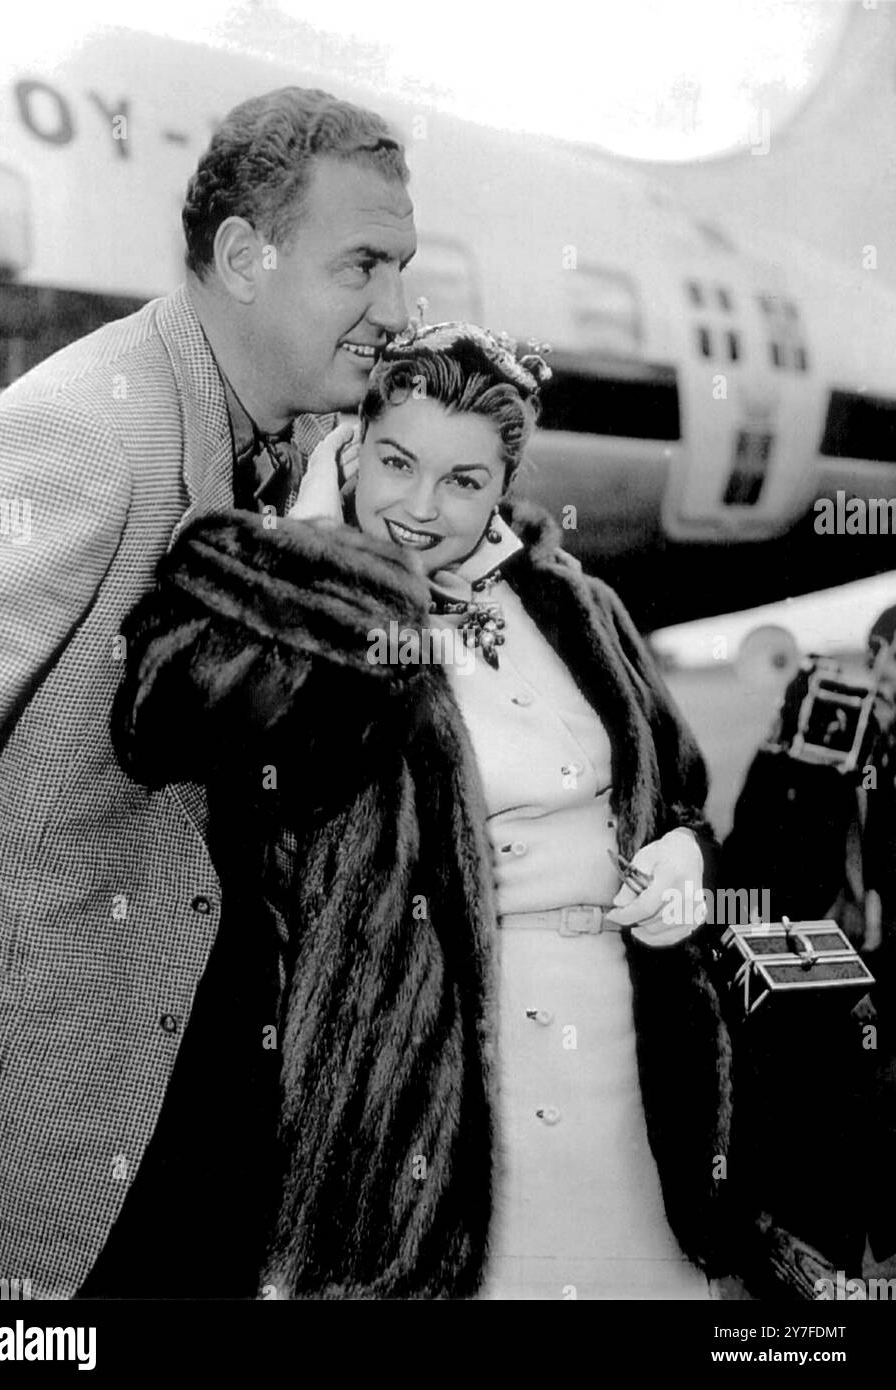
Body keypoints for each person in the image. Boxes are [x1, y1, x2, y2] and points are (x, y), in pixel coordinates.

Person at [112, 321, 830, 1299]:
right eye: (396, 462)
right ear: (352, 446)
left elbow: (677, 793)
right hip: (427, 1100)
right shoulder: (294, 603)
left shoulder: (576, 605)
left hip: (618, 1062)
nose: (418, 506)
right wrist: (322, 553)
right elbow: (164, 726)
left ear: (504, 490)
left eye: (463, 480)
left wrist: (681, 858)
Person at [0, 87, 415, 1299]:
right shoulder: (95, 430)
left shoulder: (285, 457)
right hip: (40, 1160)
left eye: (401, 269)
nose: (396, 313)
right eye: (362, 264)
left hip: (183, 1114)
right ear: (244, 257)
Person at [722, 610, 896, 1273]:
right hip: (814, 1036)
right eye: (879, 654)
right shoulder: (812, 756)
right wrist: (793, 763)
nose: (881, 674)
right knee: (814, 1244)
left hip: (876, 1041)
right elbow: (747, 887)